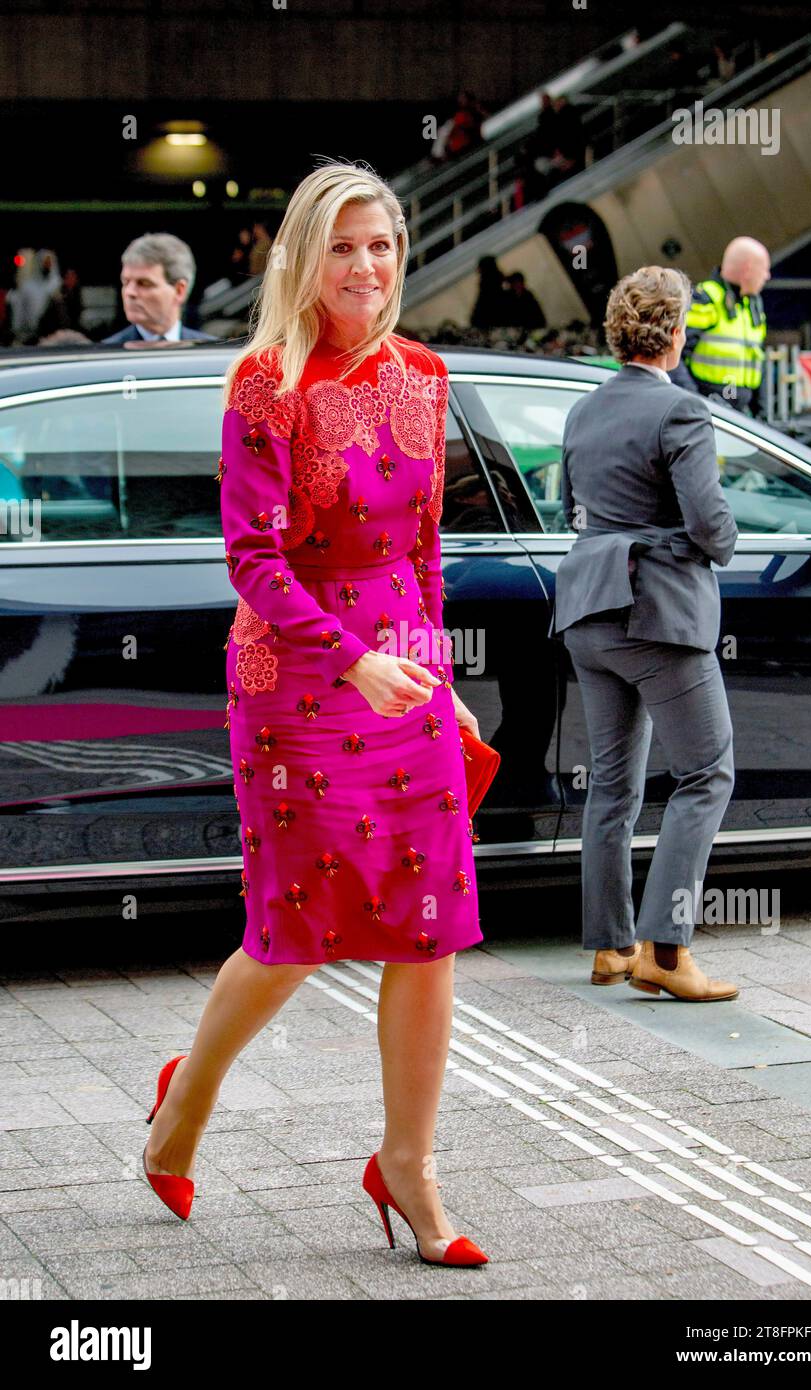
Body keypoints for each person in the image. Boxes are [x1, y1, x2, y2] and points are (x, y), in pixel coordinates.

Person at [141, 159, 489, 1270]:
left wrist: (431, 671)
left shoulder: (427, 376)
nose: (367, 266)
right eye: (343, 245)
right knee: (297, 931)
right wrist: (350, 662)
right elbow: (252, 557)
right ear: (304, 256)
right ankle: (183, 1105)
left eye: (381, 243)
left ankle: (410, 1165)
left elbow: (425, 554)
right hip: (295, 681)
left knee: (429, 928)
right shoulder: (264, 382)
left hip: (405, 683)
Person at [552, 265, 740, 1002]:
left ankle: (609, 947)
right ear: (677, 332)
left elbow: (575, 506)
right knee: (706, 772)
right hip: (655, 612)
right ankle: (665, 947)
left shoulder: (583, 410)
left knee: (612, 784)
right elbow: (707, 526)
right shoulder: (682, 411)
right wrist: (719, 542)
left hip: (586, 609)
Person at [669, 236, 770, 416]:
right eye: (764, 269)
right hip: (709, 414)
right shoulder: (706, 300)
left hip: (741, 417)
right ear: (748, 268)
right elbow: (673, 355)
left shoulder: (752, 306)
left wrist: (763, 416)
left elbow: (758, 362)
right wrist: (695, 403)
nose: (767, 276)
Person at [101, 233, 217, 344]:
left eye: (144, 283)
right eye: (126, 282)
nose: (130, 292)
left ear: (179, 291)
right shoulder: (106, 356)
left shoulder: (212, 355)